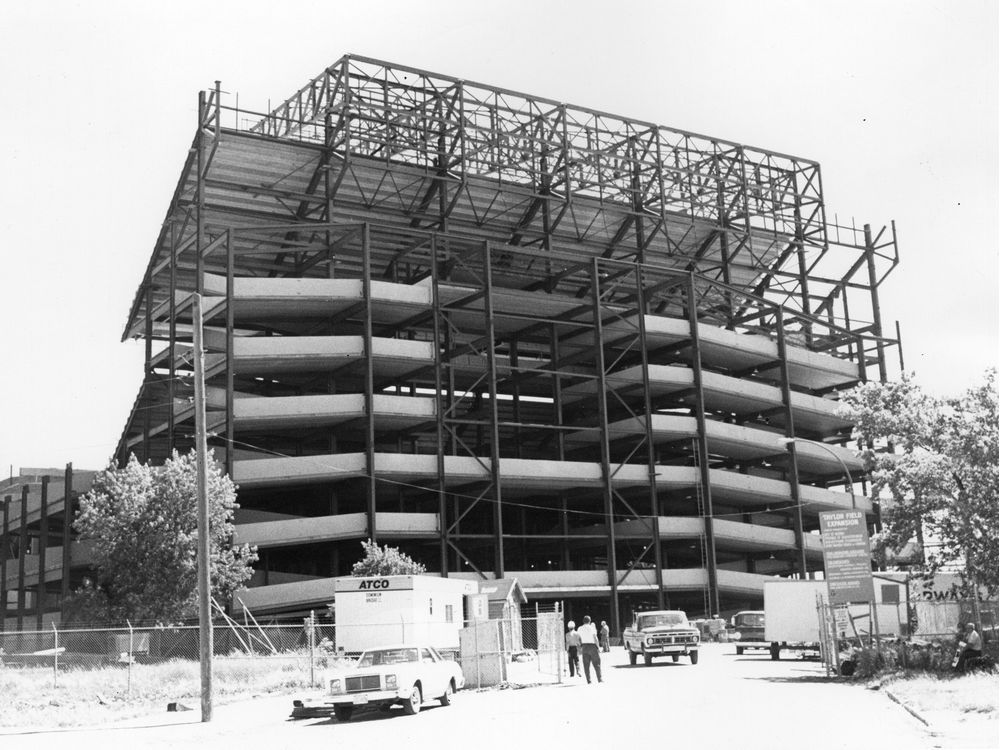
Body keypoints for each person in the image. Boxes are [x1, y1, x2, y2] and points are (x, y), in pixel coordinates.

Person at [577, 615, 603, 683]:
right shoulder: (592, 628)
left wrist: (580, 647)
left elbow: (578, 639)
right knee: (597, 663)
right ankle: (599, 679)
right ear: (589, 621)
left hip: (584, 647)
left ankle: (589, 680)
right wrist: (598, 647)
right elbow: (595, 638)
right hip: (592, 646)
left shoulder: (579, 628)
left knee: (586, 665)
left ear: (583, 621)